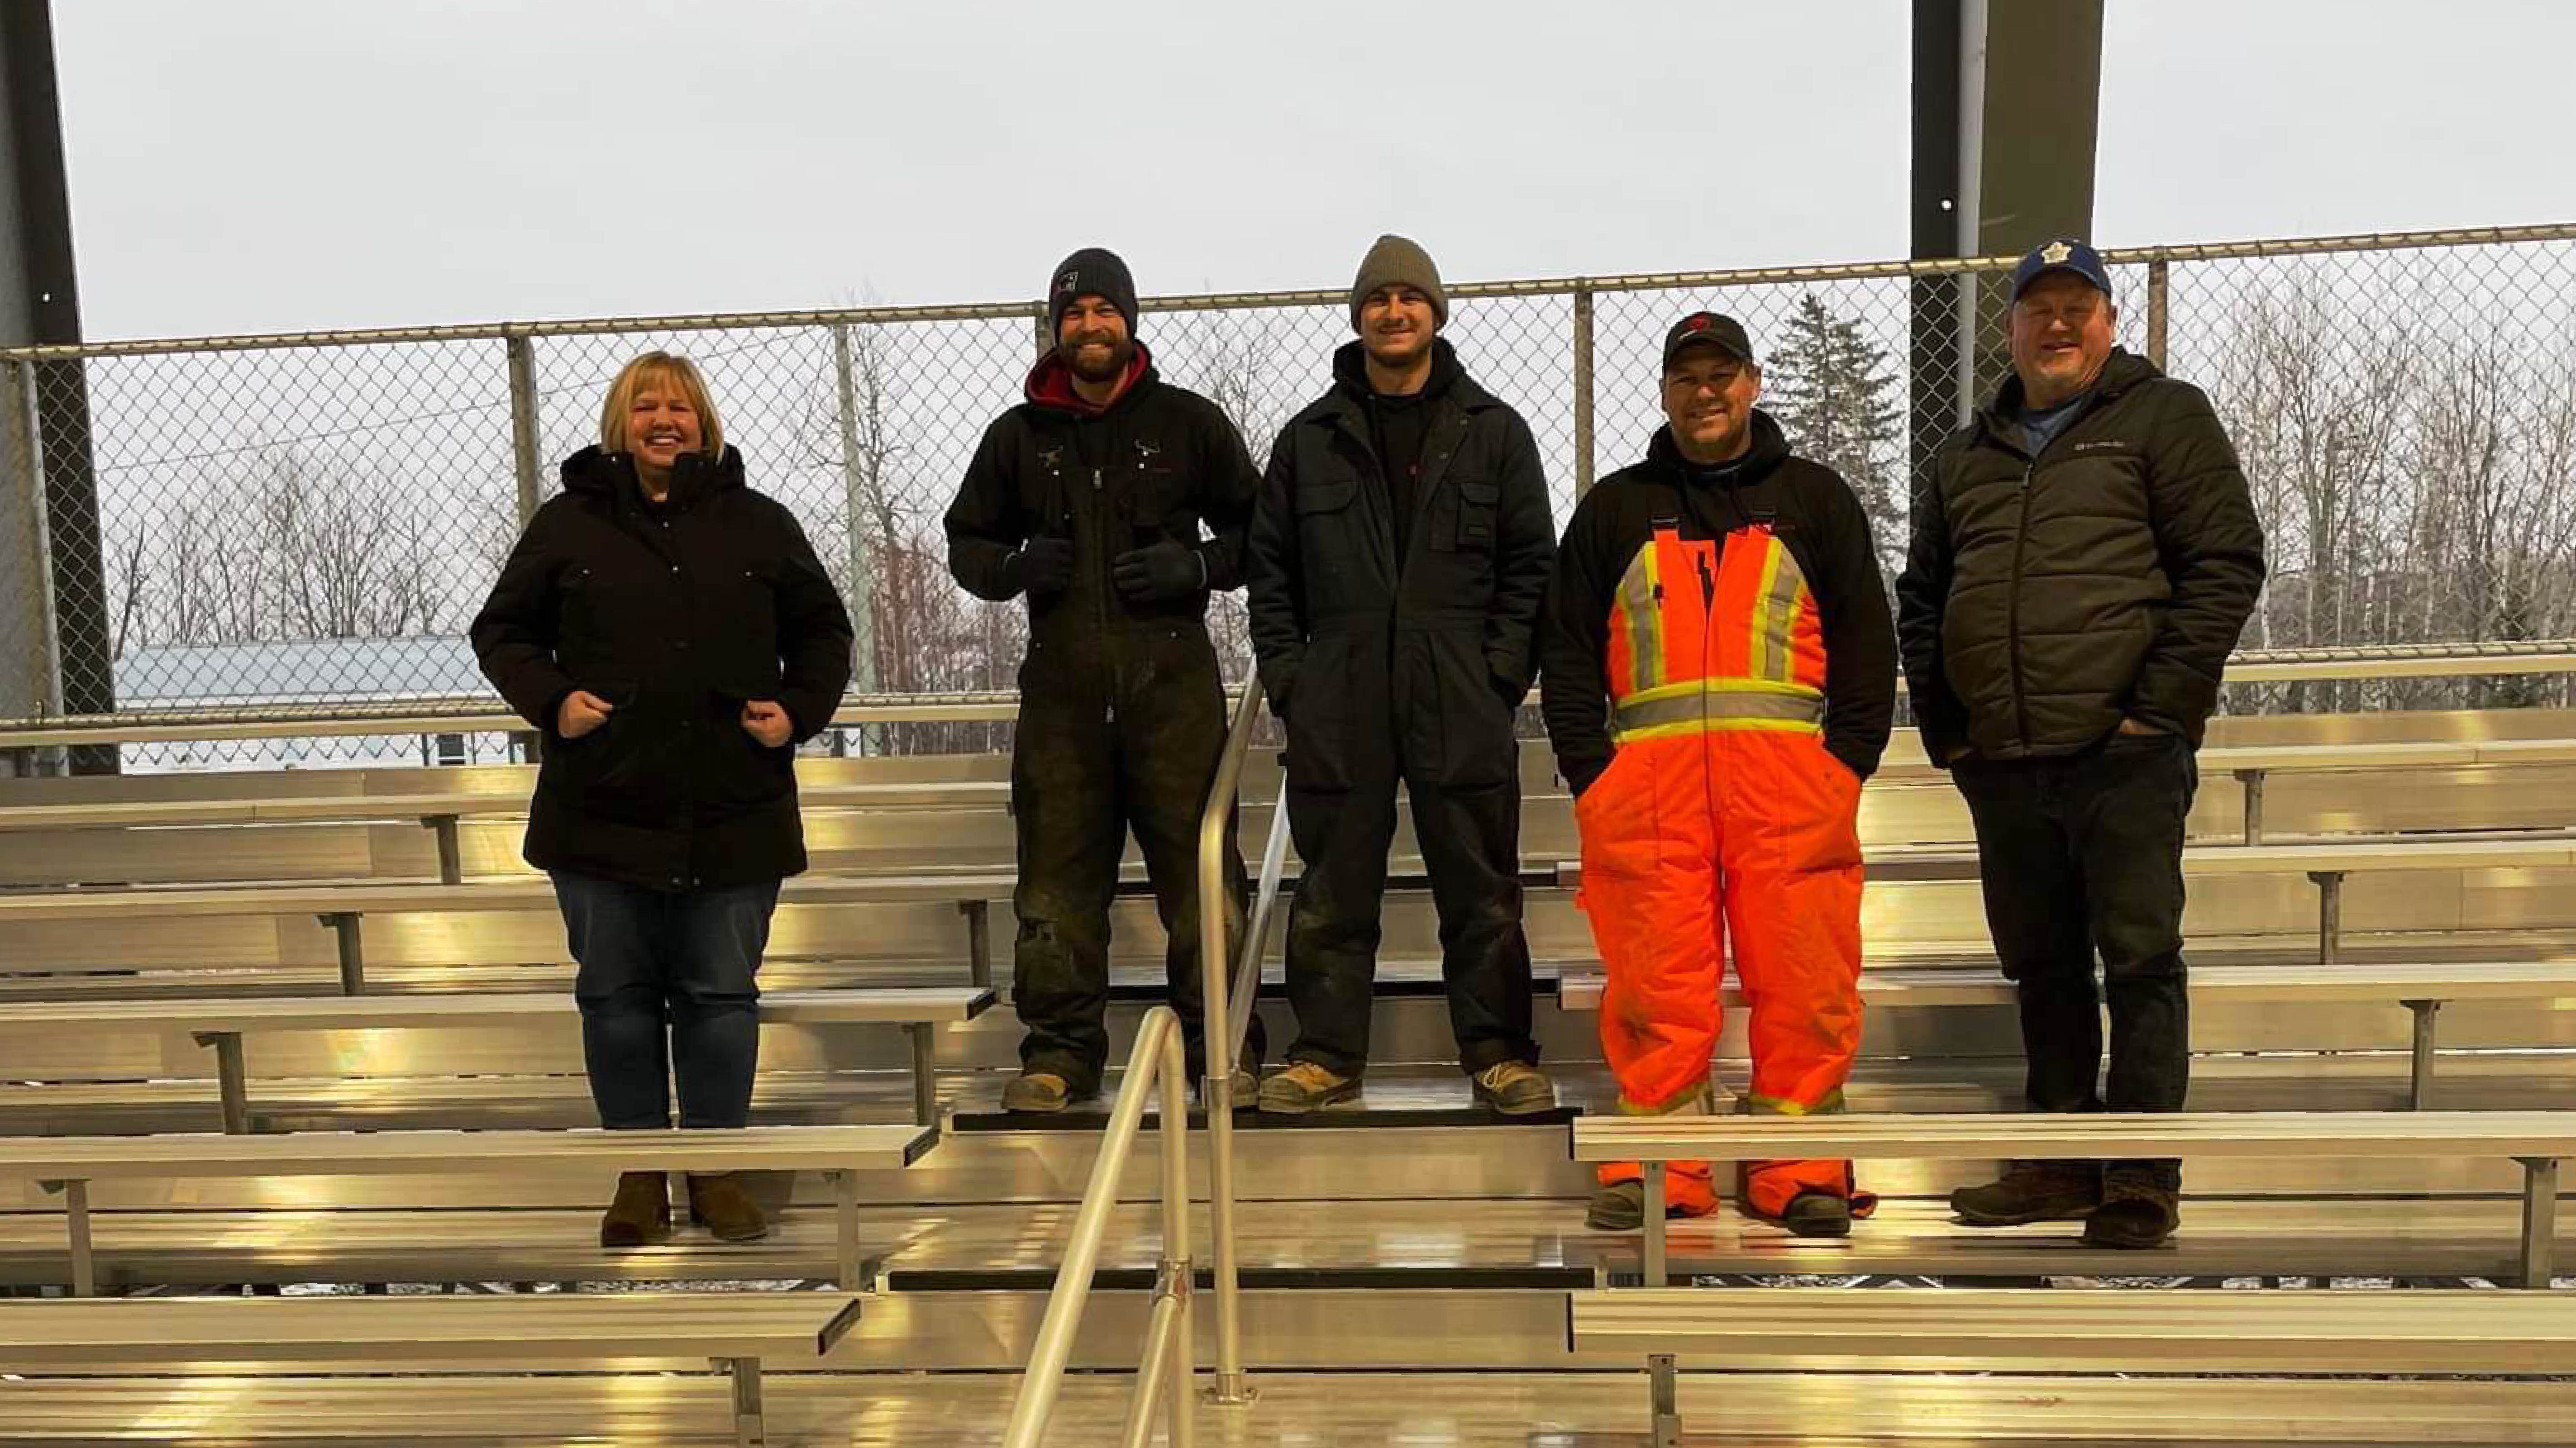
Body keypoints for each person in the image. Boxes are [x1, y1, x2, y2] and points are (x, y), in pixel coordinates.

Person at [1896, 238, 2266, 1249]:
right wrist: (1951, 729)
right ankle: (2058, 1157)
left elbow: (2225, 561)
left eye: (2076, 307)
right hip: (2005, 759)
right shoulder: (1965, 454)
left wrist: (2160, 710)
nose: (2056, 325)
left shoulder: (2162, 417)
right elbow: (1922, 595)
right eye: (2038, 309)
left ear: (2108, 321)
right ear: (2010, 326)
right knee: (2044, 964)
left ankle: (2140, 1173)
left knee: (2138, 958)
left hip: (2123, 752)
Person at [471, 350, 854, 1248]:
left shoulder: (761, 524)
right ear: (622, 423)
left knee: (720, 995)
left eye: (680, 406)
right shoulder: (568, 524)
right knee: (616, 998)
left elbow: (824, 632)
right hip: (599, 813)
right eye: (646, 406)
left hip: (734, 809)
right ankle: (639, 1172)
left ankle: (716, 1168)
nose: (663, 420)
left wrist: (796, 712)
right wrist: (554, 702)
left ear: (703, 423)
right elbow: (502, 630)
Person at [1540, 311, 1896, 1235]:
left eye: (1721, 375)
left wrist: (1843, 767)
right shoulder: (1614, 510)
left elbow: (1866, 640)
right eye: (1686, 377)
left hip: (1789, 793)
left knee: (1805, 980)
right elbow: (1566, 652)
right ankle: (1661, 1170)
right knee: (1655, 989)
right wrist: (1591, 775)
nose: (1705, 393)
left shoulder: (1815, 500)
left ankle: (1799, 1171)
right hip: (1646, 798)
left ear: (1751, 383)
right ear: (1665, 392)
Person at [945, 247, 1264, 1114]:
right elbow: (967, 543)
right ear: (1057, 330)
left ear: (1130, 322)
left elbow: (1261, 535)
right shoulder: (1018, 437)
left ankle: (1222, 1050)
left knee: (1203, 884)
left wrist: (1197, 566)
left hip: (1174, 695)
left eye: (1104, 311)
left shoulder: (1190, 424)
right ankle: (1059, 1054)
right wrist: (1016, 567)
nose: (1090, 326)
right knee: (1055, 888)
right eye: (1074, 313)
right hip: (1062, 700)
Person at [1245, 235, 1557, 1115]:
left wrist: (1497, 676)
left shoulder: (1493, 433)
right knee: (1333, 890)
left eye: (1409, 297)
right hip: (1340, 696)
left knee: (1479, 887)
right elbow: (1270, 575)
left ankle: (1498, 1055)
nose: (1393, 312)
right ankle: (1325, 1056)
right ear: (1358, 317)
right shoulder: (1309, 440)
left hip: (1459, 690)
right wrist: (1293, 683)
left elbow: (1531, 566)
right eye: (1378, 299)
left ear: (1435, 313)